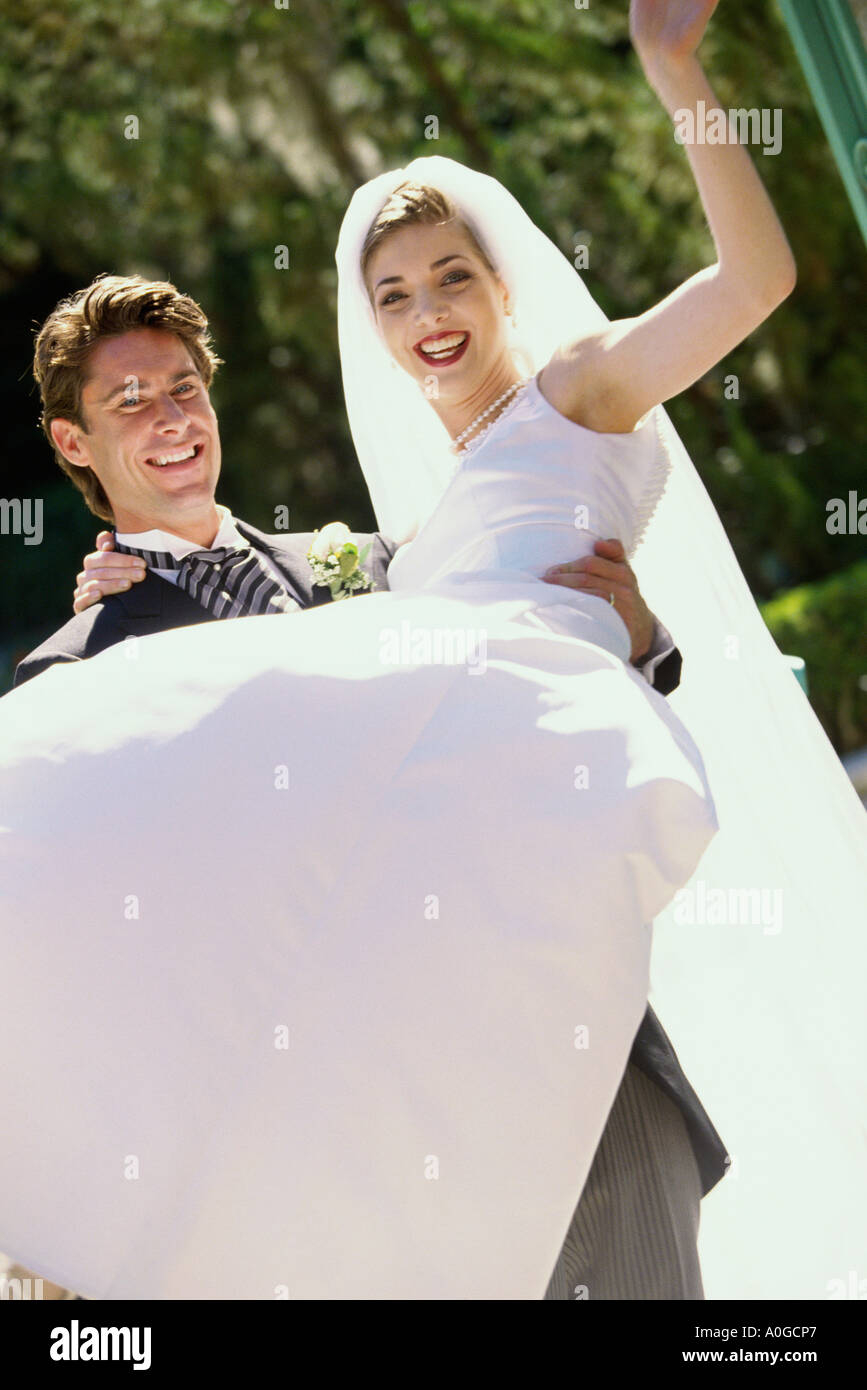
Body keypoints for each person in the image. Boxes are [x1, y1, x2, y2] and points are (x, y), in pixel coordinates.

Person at [1, 0, 863, 1300]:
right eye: (392, 296)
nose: (427, 314)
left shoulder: (576, 392)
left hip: (566, 941)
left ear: (504, 282)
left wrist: (669, 70)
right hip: (420, 1058)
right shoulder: (403, 539)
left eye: (452, 278)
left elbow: (752, 285)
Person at [11, 267, 727, 1300]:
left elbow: (524, 673)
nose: (170, 418)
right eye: (129, 401)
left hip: (574, 1081)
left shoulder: (379, 563)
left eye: (183, 389)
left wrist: (636, 634)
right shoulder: (76, 680)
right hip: (334, 1177)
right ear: (74, 444)